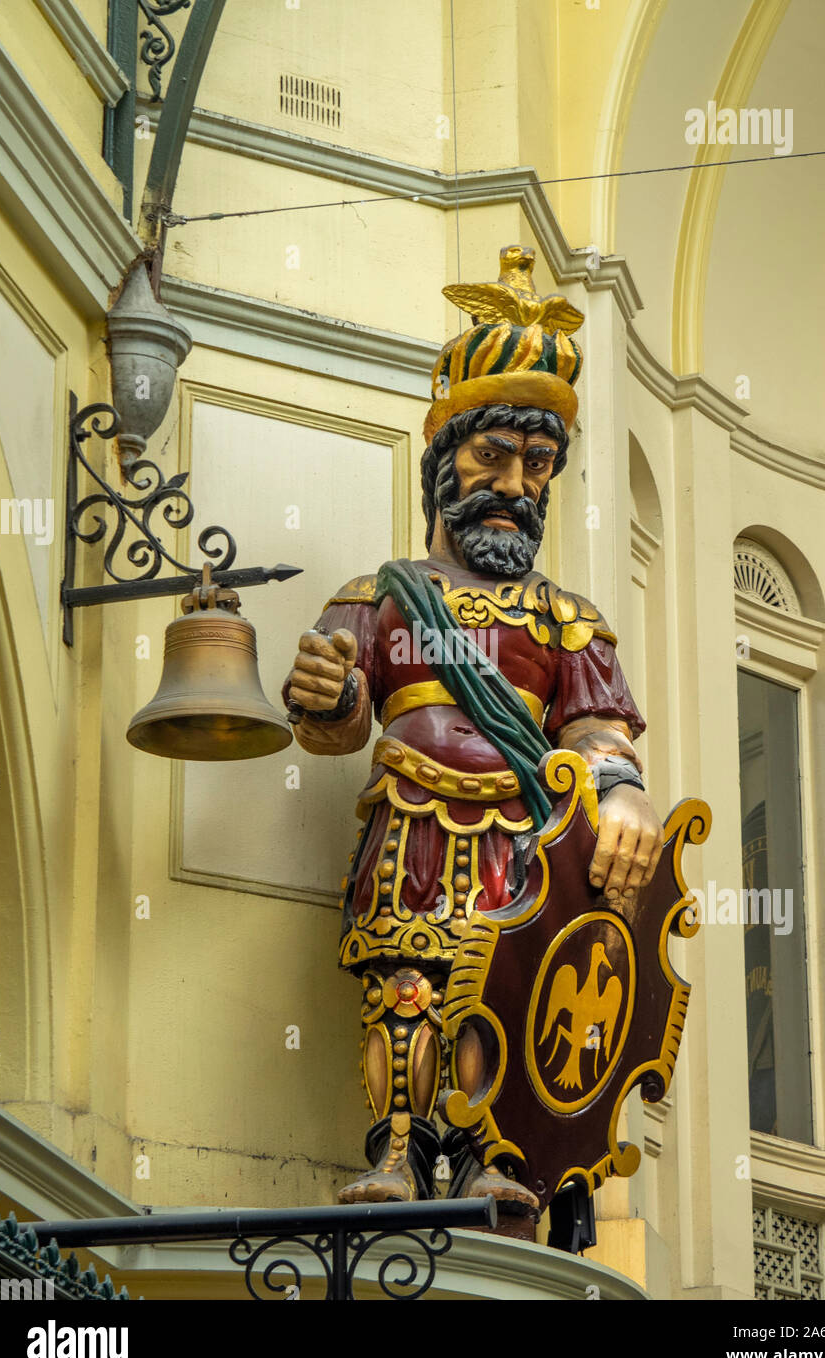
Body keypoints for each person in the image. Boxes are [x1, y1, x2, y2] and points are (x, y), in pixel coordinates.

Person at [283, 248, 664, 1211]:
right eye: (491, 456)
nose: (516, 483)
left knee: (500, 992)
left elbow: (599, 728)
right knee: (405, 985)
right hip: (410, 818)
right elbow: (333, 722)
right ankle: (396, 1156)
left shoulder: (567, 617)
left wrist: (622, 794)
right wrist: (328, 693)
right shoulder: (377, 594)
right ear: (443, 462)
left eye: (537, 465)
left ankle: (497, 1154)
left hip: (526, 840)